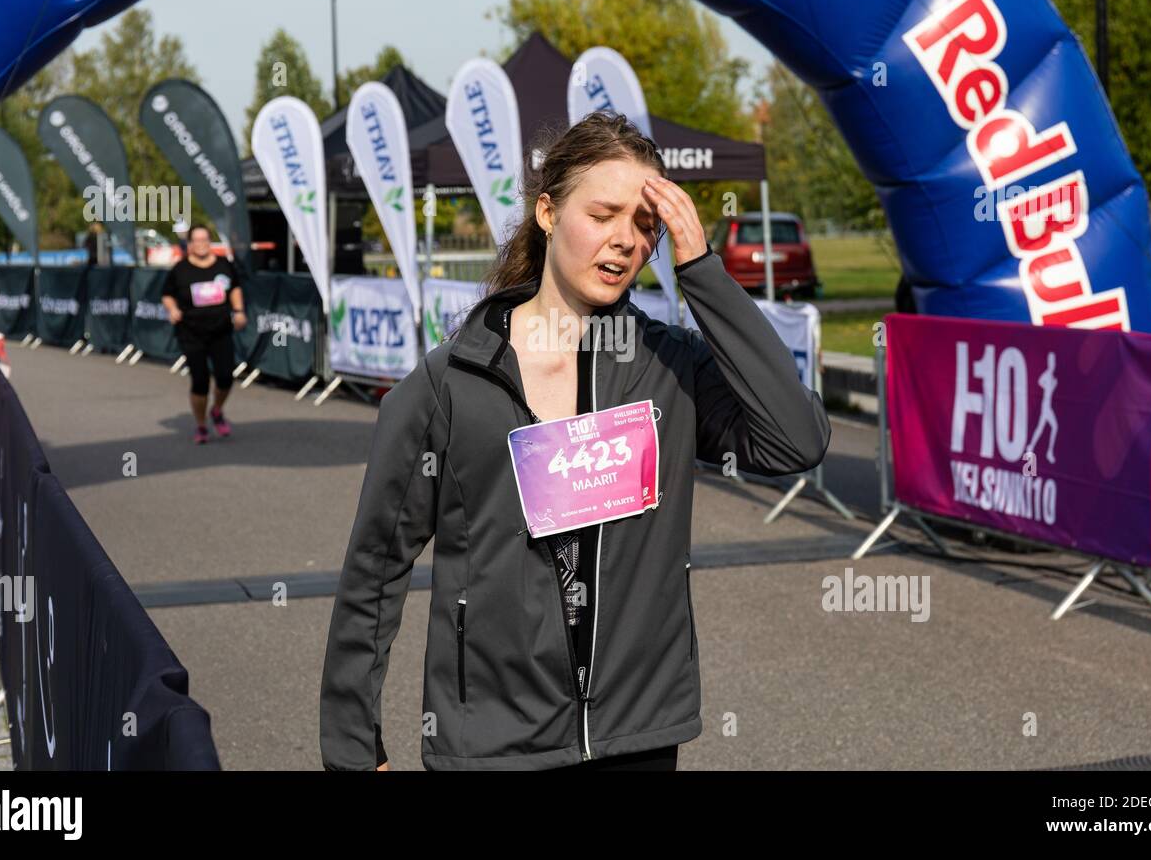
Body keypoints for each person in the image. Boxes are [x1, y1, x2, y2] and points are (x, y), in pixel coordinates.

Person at [320, 111, 832, 771]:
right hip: (492, 745)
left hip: (636, 737)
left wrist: (702, 272)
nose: (624, 241)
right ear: (547, 212)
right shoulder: (450, 382)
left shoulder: (669, 368)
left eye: (644, 224)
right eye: (603, 214)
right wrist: (353, 751)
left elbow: (798, 440)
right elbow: (373, 571)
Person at [160, 224, 247, 444]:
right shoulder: (180, 270)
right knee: (200, 381)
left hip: (220, 329)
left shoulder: (223, 265)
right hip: (191, 332)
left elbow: (235, 288)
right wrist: (172, 309)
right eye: (196, 240)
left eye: (205, 239)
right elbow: (167, 295)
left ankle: (216, 410)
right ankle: (201, 425)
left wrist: (238, 311)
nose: (201, 244)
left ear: (210, 241)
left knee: (226, 377)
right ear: (189, 244)